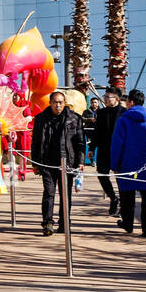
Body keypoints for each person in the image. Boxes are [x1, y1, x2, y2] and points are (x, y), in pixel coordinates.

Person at [110, 88, 146, 238]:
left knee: (127, 195)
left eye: (127, 101)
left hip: (128, 164)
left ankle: (128, 224)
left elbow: (117, 143)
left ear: (131, 102)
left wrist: (114, 164)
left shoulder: (124, 120)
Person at [30, 91, 85, 236]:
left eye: (60, 102)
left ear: (65, 103)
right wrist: (35, 163)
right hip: (47, 162)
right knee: (49, 193)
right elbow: (35, 142)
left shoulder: (74, 119)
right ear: (50, 103)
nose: (58, 105)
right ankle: (47, 223)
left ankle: (64, 222)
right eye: (55, 102)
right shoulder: (41, 118)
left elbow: (80, 142)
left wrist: (80, 161)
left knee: (65, 194)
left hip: (67, 162)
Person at [92, 87, 124, 217]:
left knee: (121, 177)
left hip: (118, 150)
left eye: (107, 97)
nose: (104, 99)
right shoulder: (101, 112)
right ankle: (113, 198)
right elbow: (97, 131)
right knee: (102, 175)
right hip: (103, 149)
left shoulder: (124, 113)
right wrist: (93, 147)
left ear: (116, 99)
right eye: (104, 97)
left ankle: (124, 204)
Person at [82, 97, 100, 167]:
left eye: (95, 102)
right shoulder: (86, 111)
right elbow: (82, 119)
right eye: (92, 102)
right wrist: (89, 120)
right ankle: (92, 161)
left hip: (99, 132)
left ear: (98, 103)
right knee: (90, 147)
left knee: (100, 147)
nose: (94, 104)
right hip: (89, 132)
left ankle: (100, 161)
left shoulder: (102, 111)